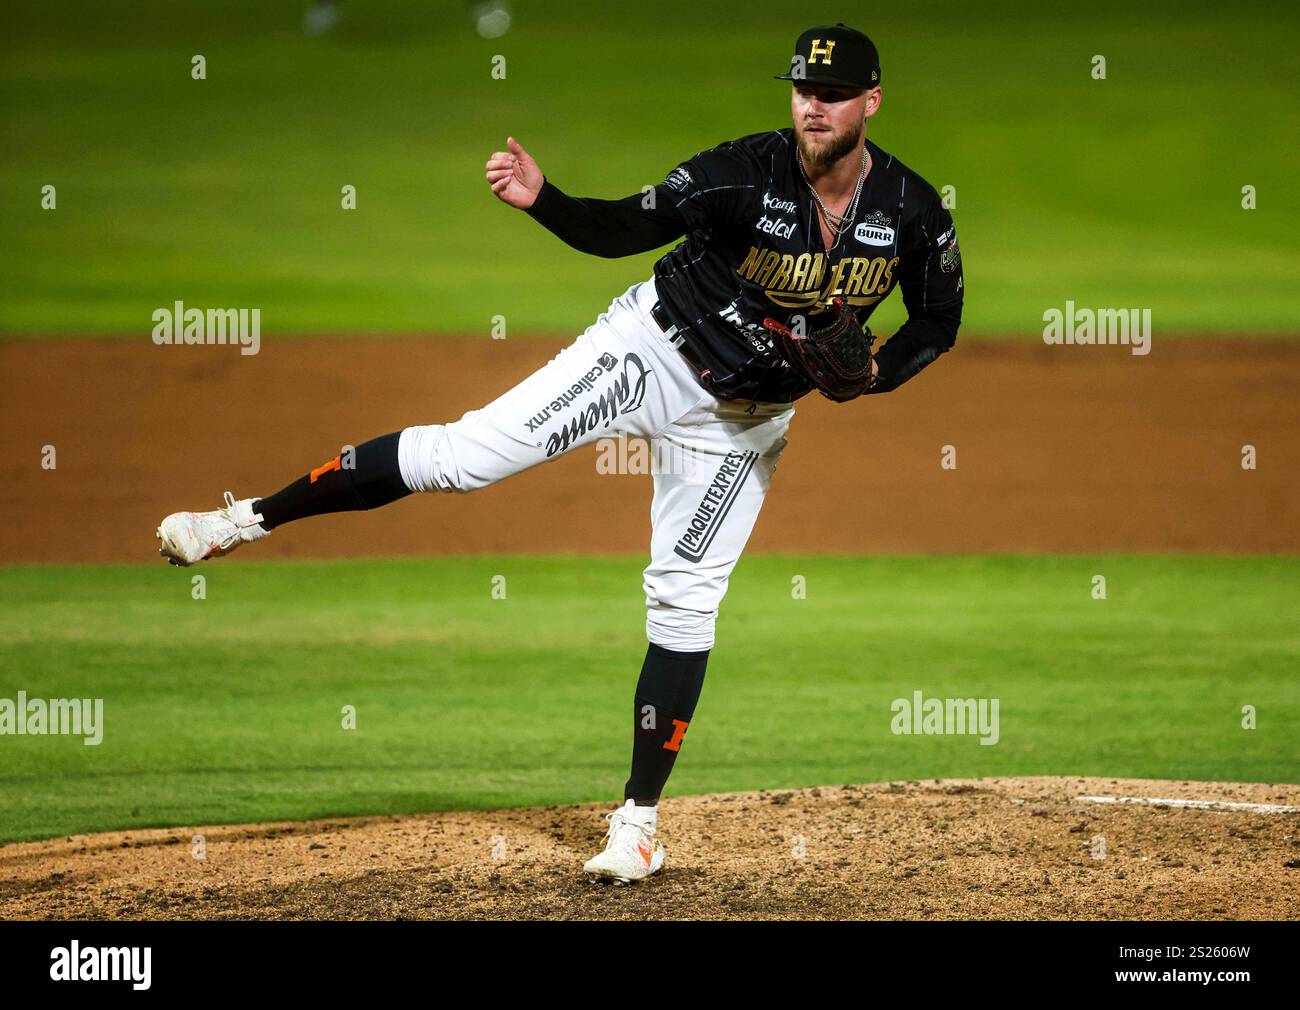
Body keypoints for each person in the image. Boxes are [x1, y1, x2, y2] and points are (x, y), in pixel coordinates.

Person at [156, 23, 963, 883]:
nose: (813, 105)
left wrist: (875, 373)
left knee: (686, 602)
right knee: (464, 458)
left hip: (742, 424)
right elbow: (622, 229)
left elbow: (937, 322)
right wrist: (546, 199)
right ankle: (241, 521)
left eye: (832, 94)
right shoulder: (741, 172)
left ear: (869, 102)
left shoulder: (911, 210)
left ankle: (638, 827)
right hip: (646, 354)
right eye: (803, 88)